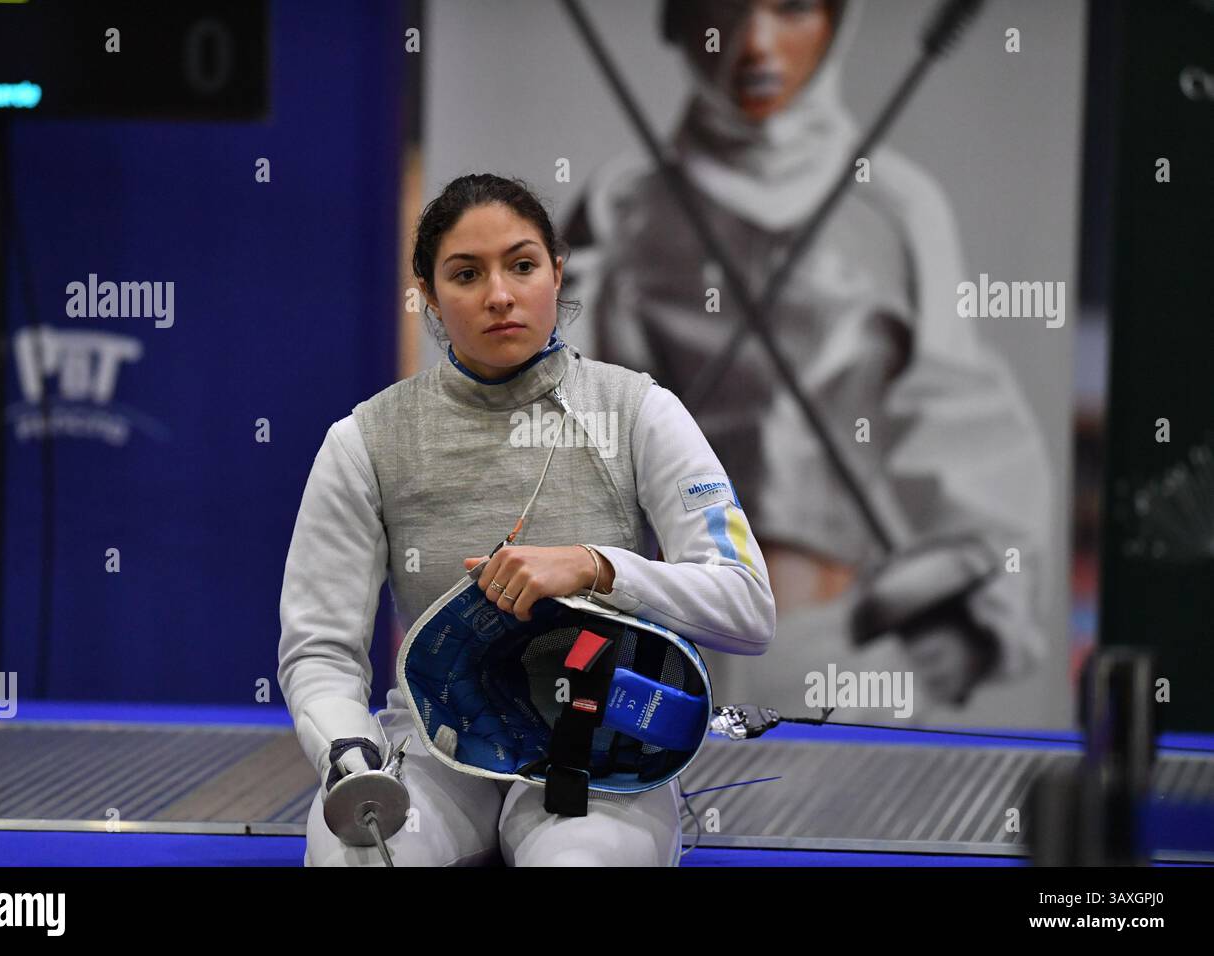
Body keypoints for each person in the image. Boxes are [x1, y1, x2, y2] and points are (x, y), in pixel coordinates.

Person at [561, 0, 1054, 721]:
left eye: (792, 7)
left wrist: (976, 607)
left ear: (838, 21)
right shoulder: (620, 207)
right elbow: (566, 420)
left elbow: (956, 416)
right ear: (677, 20)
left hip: (840, 651)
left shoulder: (897, 206)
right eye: (723, 9)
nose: (756, 45)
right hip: (661, 635)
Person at [277, 173, 776, 866]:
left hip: (598, 744)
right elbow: (320, 651)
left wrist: (599, 567)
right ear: (425, 292)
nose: (500, 295)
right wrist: (349, 755)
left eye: (521, 265)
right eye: (465, 274)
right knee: (355, 858)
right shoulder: (367, 440)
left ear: (556, 271)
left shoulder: (638, 411)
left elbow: (748, 606)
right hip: (435, 745)